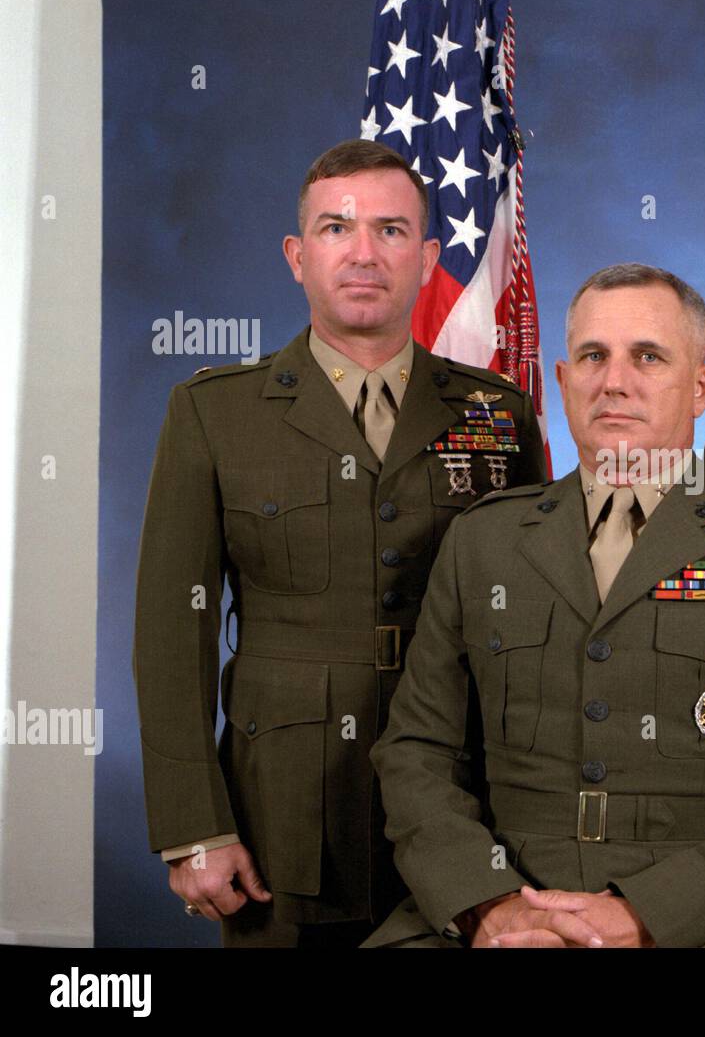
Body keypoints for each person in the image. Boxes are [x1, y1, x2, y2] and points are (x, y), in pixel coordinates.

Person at [364, 263, 705, 947]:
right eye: (592, 356)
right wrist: (490, 905)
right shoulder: (481, 540)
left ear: (702, 388)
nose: (614, 381)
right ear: (561, 379)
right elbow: (417, 752)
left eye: (647, 356)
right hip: (508, 907)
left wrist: (643, 914)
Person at [133, 139, 547, 947]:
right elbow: (170, 633)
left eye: (391, 231)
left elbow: (537, 620)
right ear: (298, 255)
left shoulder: (498, 414)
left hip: (466, 801)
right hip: (281, 812)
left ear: (428, 257)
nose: (364, 253)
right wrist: (192, 827)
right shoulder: (215, 413)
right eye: (336, 228)